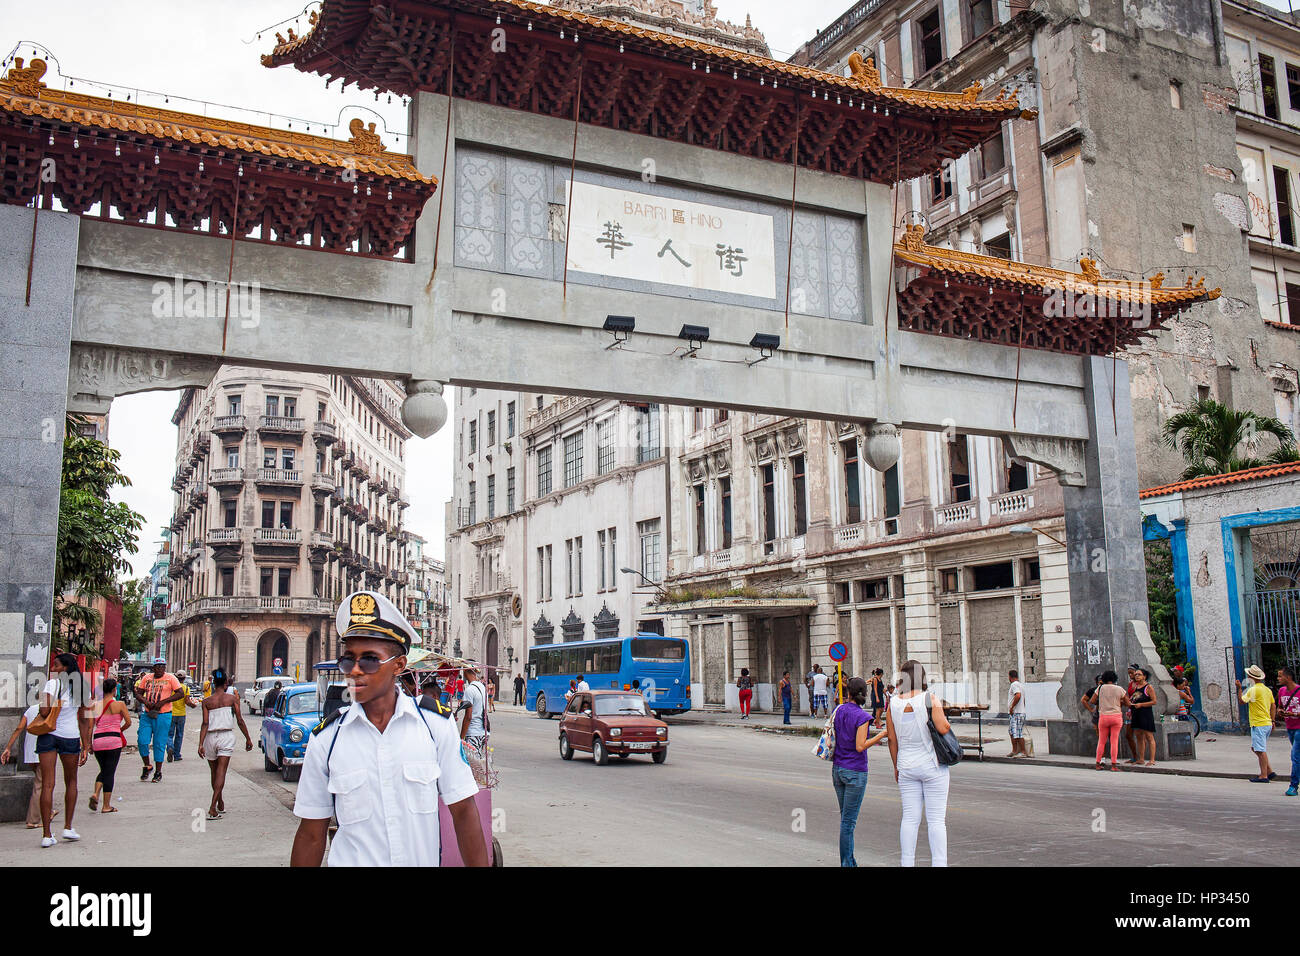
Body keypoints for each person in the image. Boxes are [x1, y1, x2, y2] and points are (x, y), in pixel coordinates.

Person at [290, 590, 488, 867]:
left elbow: (464, 812)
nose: (355, 670)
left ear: (398, 665)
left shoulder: (434, 728)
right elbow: (311, 834)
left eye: (369, 660)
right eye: (349, 660)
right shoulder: (327, 740)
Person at [886, 659, 951, 867]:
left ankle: (907, 863)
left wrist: (896, 766)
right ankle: (939, 863)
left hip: (906, 766)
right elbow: (943, 728)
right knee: (936, 820)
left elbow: (891, 740)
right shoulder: (929, 698)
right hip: (932, 765)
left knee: (910, 819)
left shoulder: (893, 703)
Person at [35, 653, 93, 848]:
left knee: (48, 785)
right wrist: (86, 746)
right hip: (70, 737)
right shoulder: (83, 687)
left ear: (65, 667)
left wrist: (42, 700)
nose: (54, 668)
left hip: (48, 735)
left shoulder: (52, 684)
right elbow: (85, 719)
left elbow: (44, 712)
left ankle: (46, 834)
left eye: (57, 665)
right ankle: (68, 827)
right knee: (71, 782)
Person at [831, 676, 889, 867]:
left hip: (838, 769)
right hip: (855, 771)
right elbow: (860, 746)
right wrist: (880, 735)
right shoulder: (862, 716)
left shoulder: (839, 710)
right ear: (864, 693)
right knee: (848, 823)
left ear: (848, 692)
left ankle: (850, 860)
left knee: (845, 820)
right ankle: (847, 863)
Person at [198, 668, 253, 820]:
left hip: (210, 737)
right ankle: (212, 808)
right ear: (226, 682)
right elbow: (240, 720)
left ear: (214, 683)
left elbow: (205, 723)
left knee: (214, 772)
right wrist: (248, 738)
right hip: (226, 736)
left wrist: (200, 744)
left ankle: (219, 801)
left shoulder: (207, 701)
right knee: (221, 772)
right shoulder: (231, 699)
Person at [1, 704, 58, 829]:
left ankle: (49, 811)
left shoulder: (30, 710)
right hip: (43, 751)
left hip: (29, 753)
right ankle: (33, 819)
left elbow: (19, 728)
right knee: (41, 785)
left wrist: (8, 747)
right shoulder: (51, 709)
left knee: (43, 782)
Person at [134, 658, 184, 782]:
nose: (160, 669)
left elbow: (180, 693)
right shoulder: (147, 678)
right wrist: (146, 701)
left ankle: (158, 771)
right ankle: (147, 765)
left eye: (162, 666)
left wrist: (163, 702)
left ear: (165, 667)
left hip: (164, 715)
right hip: (147, 714)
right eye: (157, 666)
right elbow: (138, 693)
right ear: (153, 668)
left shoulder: (171, 678)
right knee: (142, 741)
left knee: (159, 743)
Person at [88, 677, 131, 814]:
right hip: (113, 740)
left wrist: (88, 744)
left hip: (98, 741)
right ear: (114, 690)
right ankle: (106, 805)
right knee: (109, 772)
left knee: (104, 769)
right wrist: (119, 730)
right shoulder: (119, 705)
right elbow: (128, 722)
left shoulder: (94, 705)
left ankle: (95, 793)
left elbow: (89, 727)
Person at [1237, 665, 1277, 783]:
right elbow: (1273, 705)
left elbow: (1242, 701)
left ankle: (1264, 775)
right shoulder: (1266, 690)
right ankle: (1269, 771)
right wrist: (1273, 720)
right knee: (1256, 748)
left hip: (1258, 723)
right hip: (1266, 722)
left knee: (1260, 750)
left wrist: (1239, 688)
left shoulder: (1253, 689)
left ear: (1250, 676)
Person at [1089, 671, 1127, 770]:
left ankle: (1098, 763)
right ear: (1114, 679)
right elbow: (1127, 702)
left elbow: (1092, 700)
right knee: (1114, 741)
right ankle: (1113, 765)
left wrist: (1102, 702)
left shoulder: (1100, 688)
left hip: (1103, 717)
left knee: (1101, 741)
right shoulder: (1119, 689)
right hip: (1116, 716)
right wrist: (1119, 702)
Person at [1277, 666, 1300, 797]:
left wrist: (1294, 713)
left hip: (1299, 727)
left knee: (1295, 756)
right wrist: (1281, 712)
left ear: (1288, 677)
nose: (1278, 679)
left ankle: (1293, 786)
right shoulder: (1282, 691)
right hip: (1290, 727)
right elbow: (1280, 706)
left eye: (1280, 676)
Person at [1129, 668, 1157, 766]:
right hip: (1136, 714)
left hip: (1145, 714)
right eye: (1136, 674)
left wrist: (1141, 705)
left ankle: (1152, 759)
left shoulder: (1148, 687)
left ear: (1144, 676)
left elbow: (1154, 701)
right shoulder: (1136, 687)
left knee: (1149, 736)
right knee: (1138, 736)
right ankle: (1141, 758)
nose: (1136, 676)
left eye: (1139, 674)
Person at [167, 678, 198, 762]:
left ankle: (170, 747)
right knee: (179, 735)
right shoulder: (185, 688)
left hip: (170, 713)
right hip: (181, 714)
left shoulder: (171, 687)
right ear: (184, 678)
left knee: (169, 734)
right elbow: (187, 701)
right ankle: (177, 755)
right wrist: (193, 705)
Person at [459, 665, 489, 753]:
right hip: (484, 731)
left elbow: (468, 716)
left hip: (474, 733)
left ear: (465, 672)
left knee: (472, 764)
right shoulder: (482, 687)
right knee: (478, 762)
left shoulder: (470, 690)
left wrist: (461, 738)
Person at [1007, 669, 1028, 758]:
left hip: (1017, 713)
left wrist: (1012, 707)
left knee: (1018, 733)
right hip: (1018, 712)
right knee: (1012, 732)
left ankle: (1023, 751)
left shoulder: (1014, 685)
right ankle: (1014, 750)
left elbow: (1018, 695)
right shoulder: (1020, 685)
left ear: (1010, 677)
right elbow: (1023, 699)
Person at [1123, 664, 1140, 764]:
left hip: (1138, 710)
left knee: (1140, 735)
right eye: (1129, 673)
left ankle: (1140, 757)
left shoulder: (1141, 684)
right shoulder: (1130, 684)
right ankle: (1134, 756)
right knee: (1128, 735)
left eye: (1131, 672)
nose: (1130, 675)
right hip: (1130, 710)